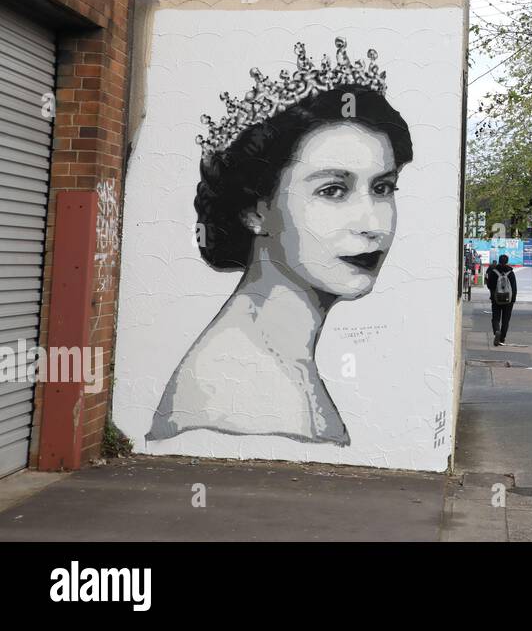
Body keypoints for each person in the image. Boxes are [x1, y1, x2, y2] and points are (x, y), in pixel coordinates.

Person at [153, 39, 412, 446]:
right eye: (333, 190)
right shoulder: (246, 393)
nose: (373, 224)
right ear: (256, 211)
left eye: (382, 187)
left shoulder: (279, 358)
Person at [485, 254, 518, 346]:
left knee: (495, 318)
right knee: (505, 320)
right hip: (508, 300)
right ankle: (502, 338)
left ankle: (496, 331)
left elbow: (490, 286)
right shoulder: (511, 273)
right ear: (507, 261)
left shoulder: (494, 272)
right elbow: (514, 288)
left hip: (496, 299)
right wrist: (513, 300)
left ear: (499, 261)